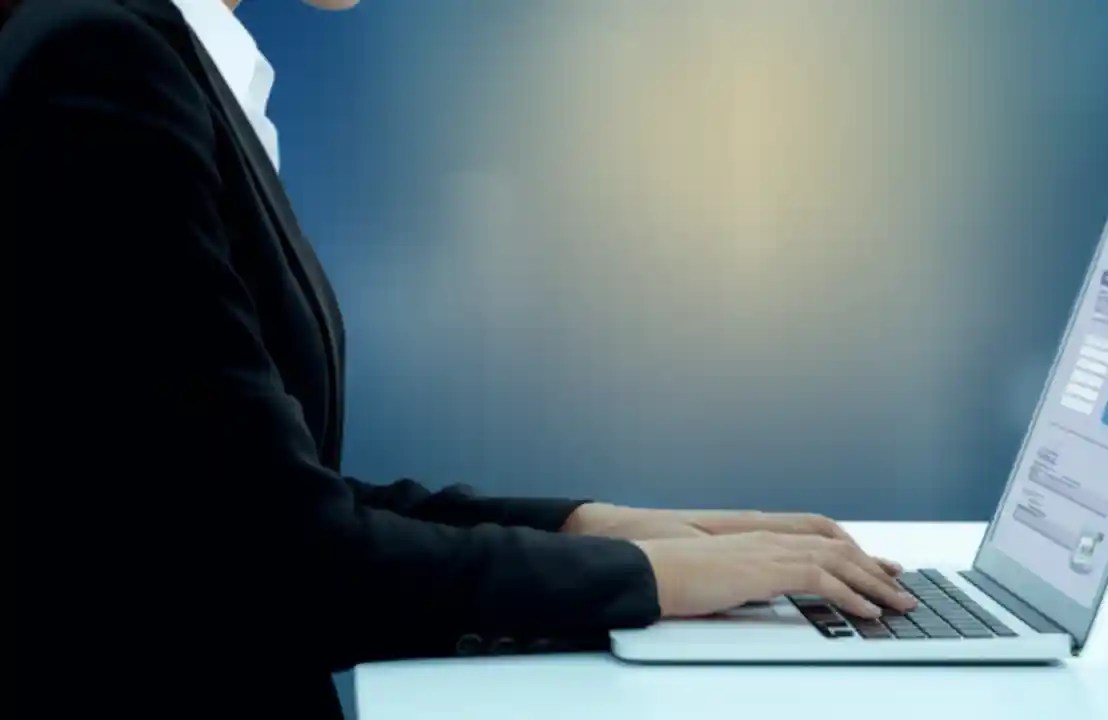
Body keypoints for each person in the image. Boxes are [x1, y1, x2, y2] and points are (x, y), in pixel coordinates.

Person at [2, 1, 914, 717]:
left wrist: (591, 525)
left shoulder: (158, 58)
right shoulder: (102, 62)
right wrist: (653, 579)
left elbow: (246, 491)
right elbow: (281, 558)